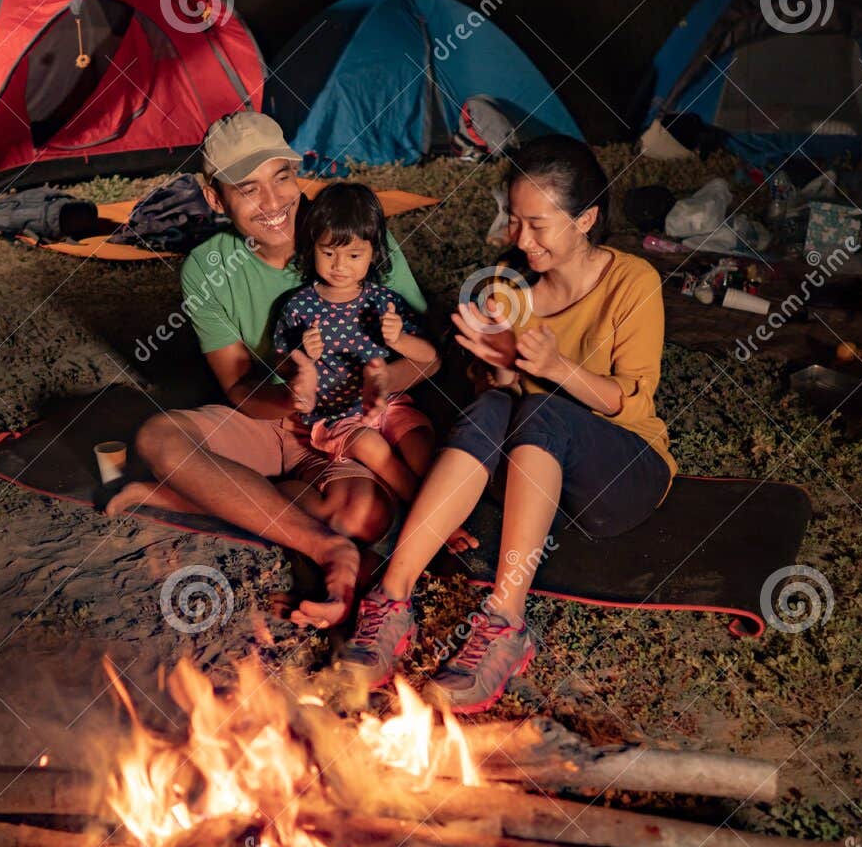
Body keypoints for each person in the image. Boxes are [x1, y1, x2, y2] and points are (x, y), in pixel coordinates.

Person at [336, 135, 678, 714]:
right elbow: (498, 401)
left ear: (586, 219)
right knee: (494, 406)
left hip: (620, 477)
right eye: (515, 220)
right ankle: (392, 599)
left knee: (544, 410)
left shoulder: (632, 282)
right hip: (532, 475)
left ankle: (505, 622)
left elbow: (632, 403)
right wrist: (501, 367)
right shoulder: (507, 286)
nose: (521, 238)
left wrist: (553, 366)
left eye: (538, 224)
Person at [107, 112, 438, 627]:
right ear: (215, 198)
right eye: (248, 188)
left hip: (349, 421)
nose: (273, 201)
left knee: (362, 515)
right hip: (271, 417)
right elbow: (238, 386)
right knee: (160, 438)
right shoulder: (207, 268)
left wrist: (376, 386)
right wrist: (291, 399)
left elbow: (424, 355)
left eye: (281, 177)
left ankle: (194, 497)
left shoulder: (351, 233)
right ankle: (328, 549)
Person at [273, 183, 437, 505]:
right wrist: (304, 355)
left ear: (373, 252)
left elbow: (429, 355)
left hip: (389, 404)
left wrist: (399, 340)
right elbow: (281, 361)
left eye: (353, 255)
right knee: (371, 447)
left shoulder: (385, 301)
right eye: (328, 253)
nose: (339, 265)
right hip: (336, 416)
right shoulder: (300, 306)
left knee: (419, 443)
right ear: (312, 246)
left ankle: (444, 501)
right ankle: (425, 512)